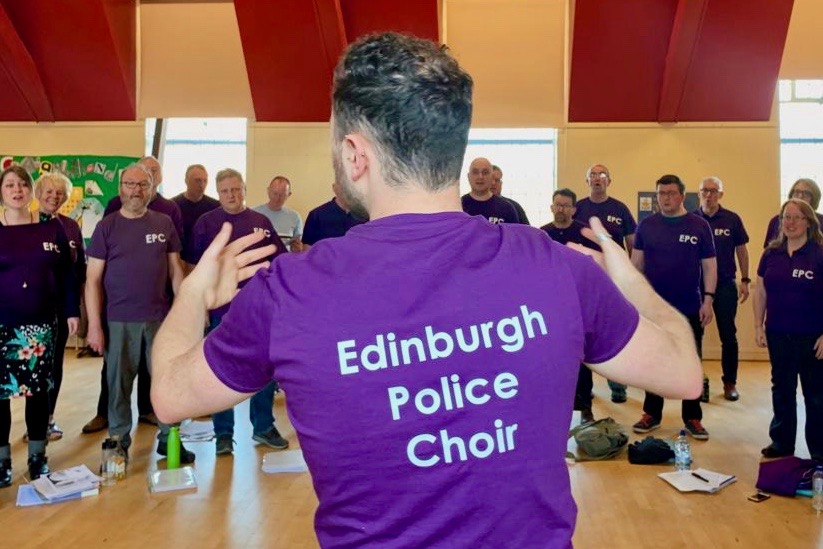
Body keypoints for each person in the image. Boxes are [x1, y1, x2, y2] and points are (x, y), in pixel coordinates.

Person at [151, 33, 702, 548]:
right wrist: (631, 282)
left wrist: (194, 294)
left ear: (355, 155)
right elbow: (683, 372)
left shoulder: (288, 292)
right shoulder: (558, 268)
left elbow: (170, 396)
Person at [86, 163, 191, 464]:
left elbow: (175, 271)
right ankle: (118, 440)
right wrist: (94, 326)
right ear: (120, 188)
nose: (136, 190)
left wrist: (185, 311)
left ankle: (169, 438)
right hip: (118, 320)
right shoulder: (107, 227)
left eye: (142, 184)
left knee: (166, 381)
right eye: (130, 184)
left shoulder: (164, 223)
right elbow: (92, 280)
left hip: (160, 319)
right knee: (118, 385)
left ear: (152, 188)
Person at [189, 169, 288, 455]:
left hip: (257, 309)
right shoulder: (207, 224)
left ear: (244, 189)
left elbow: (278, 263)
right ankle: (223, 433)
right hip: (220, 310)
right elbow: (195, 269)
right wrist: (200, 306)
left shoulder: (261, 222)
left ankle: (263, 426)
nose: (231, 195)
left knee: (264, 369)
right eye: (225, 191)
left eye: (236, 189)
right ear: (218, 193)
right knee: (220, 370)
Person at [0, 166, 79, 486]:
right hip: (2, 325)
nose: (17, 190)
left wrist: (72, 311)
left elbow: (68, 274)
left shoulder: (51, 226)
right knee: (0, 395)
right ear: (1, 191)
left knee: (38, 393)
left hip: (41, 324)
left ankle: (37, 457)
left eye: (22, 184)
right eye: (9, 185)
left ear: (31, 190)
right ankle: (2, 462)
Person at [631, 174, 716, 440]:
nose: (666, 198)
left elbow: (709, 266)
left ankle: (692, 417)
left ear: (682, 196)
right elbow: (636, 266)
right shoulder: (646, 226)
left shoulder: (699, 226)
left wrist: (708, 299)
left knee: (691, 361)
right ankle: (651, 413)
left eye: (671, 193)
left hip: (689, 307)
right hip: (654, 309)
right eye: (661, 193)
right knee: (653, 360)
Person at [754, 199, 823, 461]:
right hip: (778, 334)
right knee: (782, 389)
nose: (790, 223)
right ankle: (782, 443)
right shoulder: (771, 254)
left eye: (796, 218)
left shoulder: (819, 254)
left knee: (815, 395)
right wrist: (758, 325)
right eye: (786, 217)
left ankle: (819, 449)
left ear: (808, 222)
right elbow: (761, 291)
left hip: (812, 338)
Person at [573, 164, 638, 403]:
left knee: (614, 331)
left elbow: (633, 245)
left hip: (613, 280)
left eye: (602, 175)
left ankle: (618, 386)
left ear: (609, 181)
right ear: (587, 180)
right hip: (584, 280)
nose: (597, 178)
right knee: (585, 332)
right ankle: (585, 389)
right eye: (593, 175)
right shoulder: (578, 208)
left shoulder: (619, 209)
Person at [540, 188, 600, 424]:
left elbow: (596, 270)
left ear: (574, 209)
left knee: (582, 358)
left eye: (566, 205)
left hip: (580, 304)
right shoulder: (542, 235)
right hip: (551, 306)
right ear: (551, 207)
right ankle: (554, 410)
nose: (561, 209)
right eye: (558, 204)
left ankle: (585, 407)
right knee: (553, 358)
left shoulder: (585, 234)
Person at [34, 173, 87, 440]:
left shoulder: (70, 226)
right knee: (31, 366)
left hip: (60, 309)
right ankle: (33, 423)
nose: (54, 197)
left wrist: (74, 309)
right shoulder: (25, 222)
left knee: (54, 365)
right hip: (29, 309)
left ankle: (47, 419)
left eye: (60, 193)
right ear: (38, 193)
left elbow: (78, 270)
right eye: (49, 191)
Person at [694, 176, 750, 401]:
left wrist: (745, 279)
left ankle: (730, 383)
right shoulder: (691, 219)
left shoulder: (732, 219)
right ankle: (696, 382)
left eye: (713, 190)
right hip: (697, 287)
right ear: (699, 193)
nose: (709, 194)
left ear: (721, 194)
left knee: (728, 335)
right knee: (695, 334)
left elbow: (742, 251)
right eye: (705, 190)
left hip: (725, 285)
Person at [172, 164, 219, 263]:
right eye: (197, 180)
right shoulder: (173, 206)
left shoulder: (216, 206)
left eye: (205, 181)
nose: (202, 185)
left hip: (207, 260)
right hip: (180, 260)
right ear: (186, 181)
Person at [301, 182, 365, 249]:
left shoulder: (364, 216)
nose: (348, 190)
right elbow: (307, 248)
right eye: (344, 185)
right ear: (335, 188)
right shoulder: (316, 215)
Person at [762, 178, 823, 247]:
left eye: (806, 193)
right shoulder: (776, 220)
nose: (800, 196)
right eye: (796, 192)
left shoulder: (821, 220)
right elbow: (768, 248)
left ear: (815, 198)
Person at [461, 157, 519, 223]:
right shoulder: (458, 207)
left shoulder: (507, 208)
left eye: (485, 172)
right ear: (468, 177)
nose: (480, 177)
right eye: (475, 172)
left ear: (491, 177)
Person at [253, 175, 304, 251]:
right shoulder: (253, 214)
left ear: (289, 194)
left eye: (282, 195)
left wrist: (297, 248)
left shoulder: (295, 217)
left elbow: (297, 246)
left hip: (284, 257)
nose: (277, 198)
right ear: (268, 191)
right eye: (275, 193)